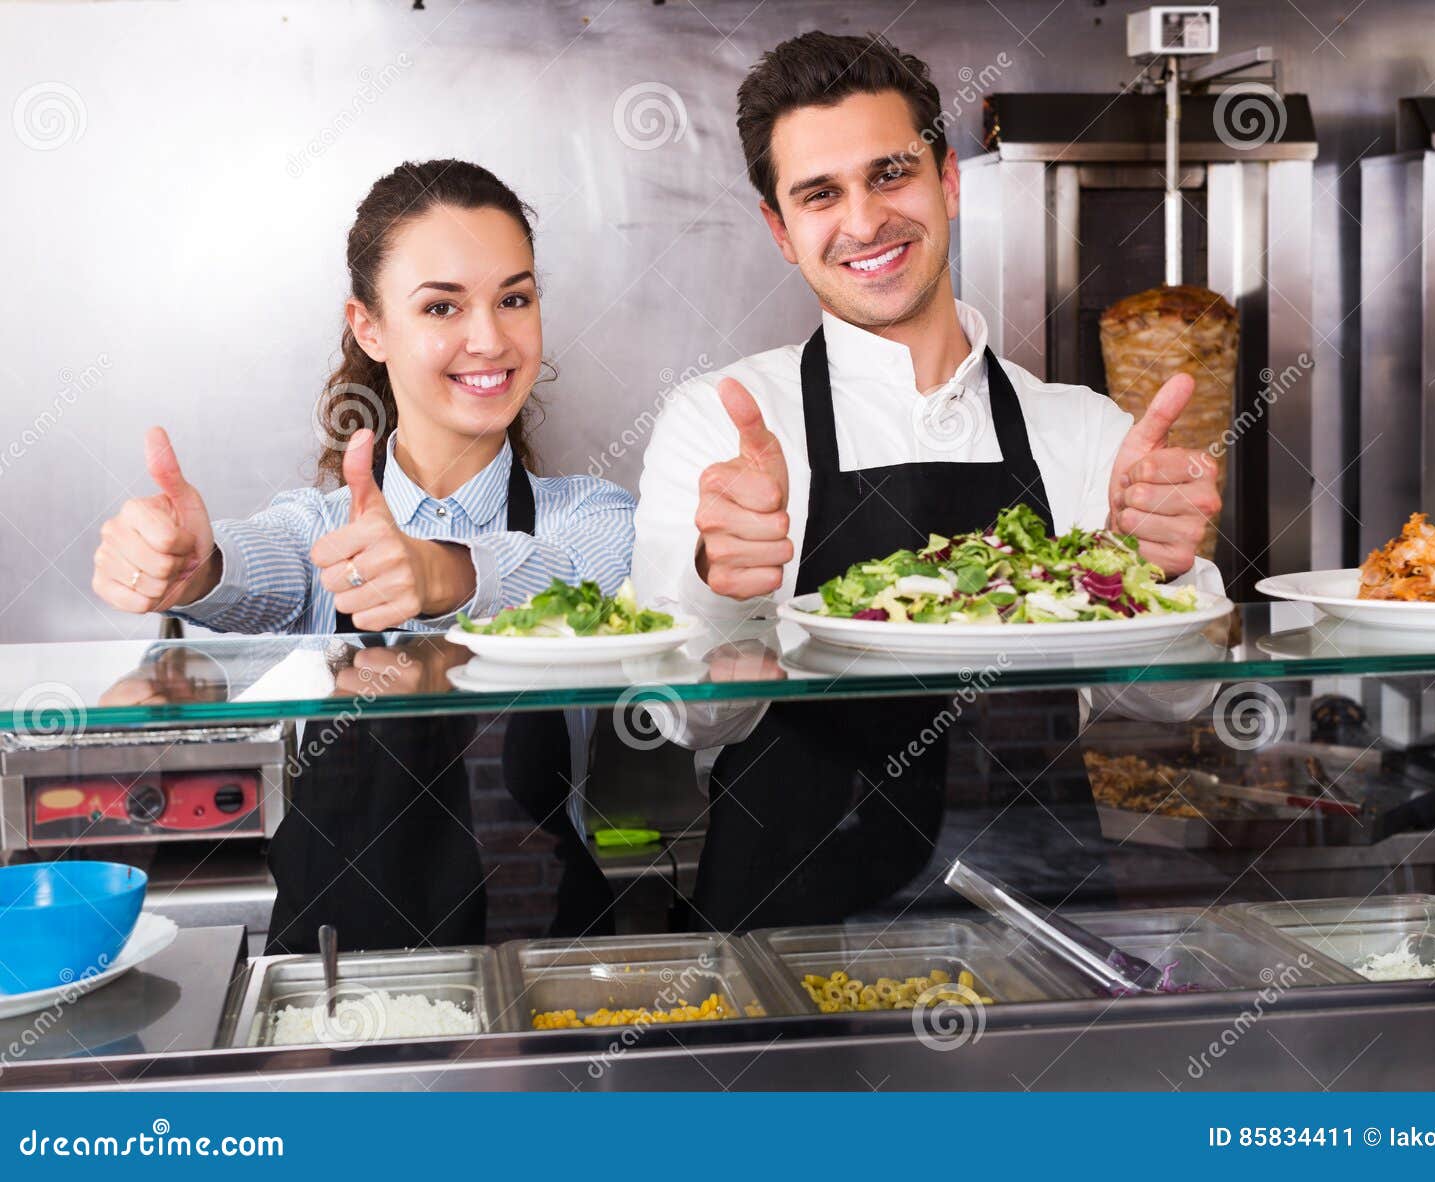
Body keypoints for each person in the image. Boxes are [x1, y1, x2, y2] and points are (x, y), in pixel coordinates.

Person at [632, 32, 1223, 930]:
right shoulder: (721, 420)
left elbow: (1174, 699)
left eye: (890, 175)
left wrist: (1162, 578)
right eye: (820, 194)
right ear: (780, 230)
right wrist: (721, 591)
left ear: (948, 180)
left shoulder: (1080, 430)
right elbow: (681, 723)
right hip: (791, 932)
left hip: (1039, 925)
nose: (865, 222)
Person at [92, 159, 634, 952]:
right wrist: (195, 566)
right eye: (442, 305)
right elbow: (261, 563)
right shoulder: (321, 527)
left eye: (514, 299)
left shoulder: (592, 516)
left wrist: (439, 572)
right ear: (370, 327)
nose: (489, 338)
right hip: (338, 989)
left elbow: (576, 581)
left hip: (545, 980)